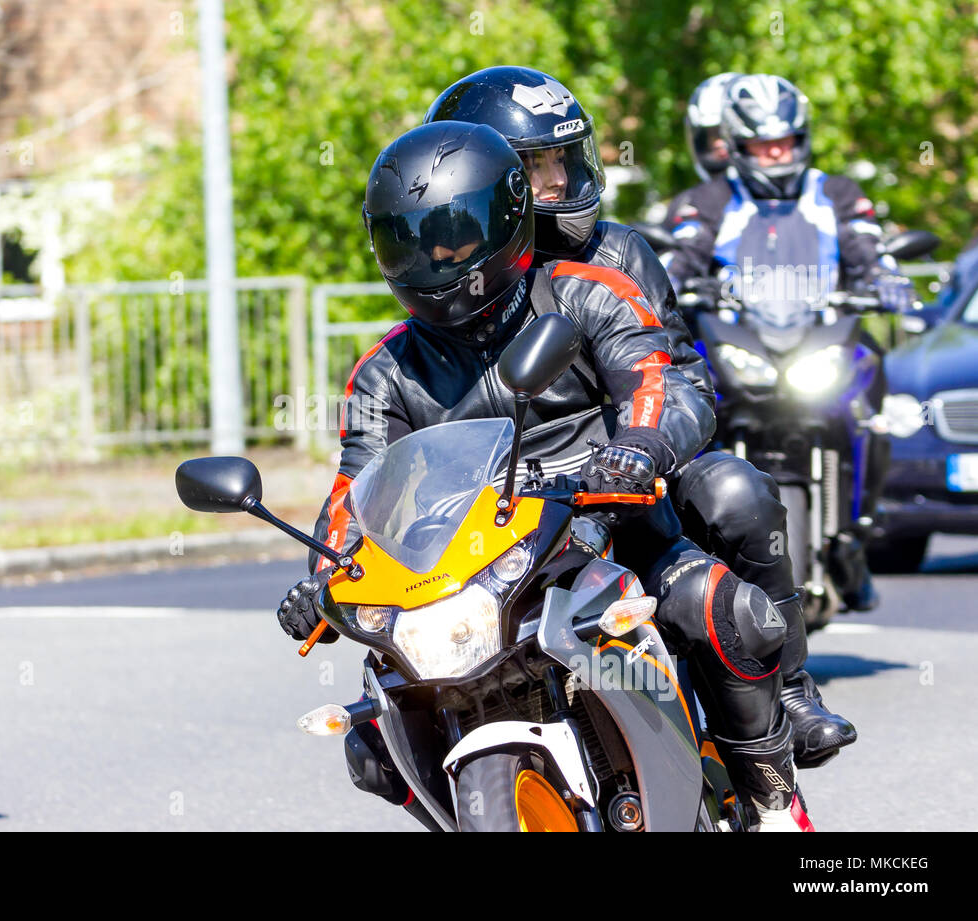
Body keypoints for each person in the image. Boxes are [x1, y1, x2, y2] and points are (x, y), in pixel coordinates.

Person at [279, 119, 813, 830]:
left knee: (724, 611)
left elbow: (664, 383)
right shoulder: (386, 371)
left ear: (505, 220)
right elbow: (356, 486)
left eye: (453, 236)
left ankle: (775, 802)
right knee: (370, 734)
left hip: (616, 531)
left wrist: (642, 445)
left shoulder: (587, 293)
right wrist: (328, 569)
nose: (434, 257)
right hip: (474, 572)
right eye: (409, 239)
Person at [420, 67, 853, 767]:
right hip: (515, 509)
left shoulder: (616, 254)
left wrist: (640, 446)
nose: (558, 182)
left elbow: (676, 376)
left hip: (635, 478)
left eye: (562, 159)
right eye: (536, 167)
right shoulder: (446, 284)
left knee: (736, 493)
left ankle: (792, 692)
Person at [661, 73, 910, 615]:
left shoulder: (838, 193)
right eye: (761, 145)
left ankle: (860, 526)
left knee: (871, 382)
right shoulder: (708, 199)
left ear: (803, 139)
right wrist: (670, 283)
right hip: (742, 342)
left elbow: (868, 247)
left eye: (786, 143)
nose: (776, 155)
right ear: (737, 147)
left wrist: (886, 279)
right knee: (680, 398)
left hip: (816, 340)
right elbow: (681, 255)